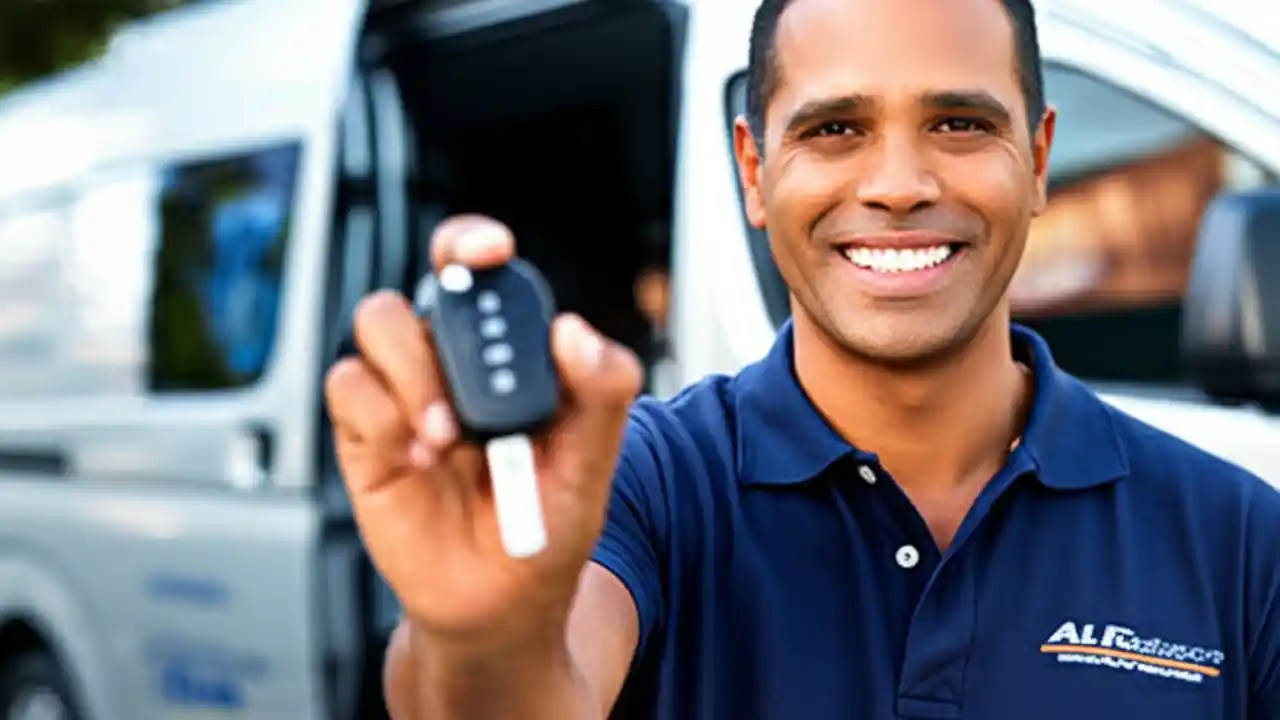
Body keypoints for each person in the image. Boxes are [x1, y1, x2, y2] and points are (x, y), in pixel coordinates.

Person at [323, 0, 1280, 717]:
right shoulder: (642, 480)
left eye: (959, 123)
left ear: (1037, 159)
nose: (900, 186)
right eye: (835, 129)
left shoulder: (1238, 536)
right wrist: (486, 630)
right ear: (754, 169)